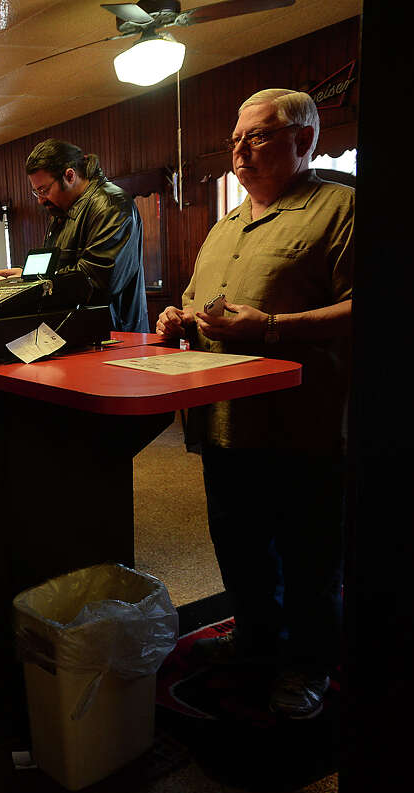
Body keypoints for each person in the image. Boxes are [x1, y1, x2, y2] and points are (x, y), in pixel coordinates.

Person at [156, 89, 353, 719]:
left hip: (304, 425)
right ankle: (255, 638)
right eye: (237, 138)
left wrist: (270, 328)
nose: (241, 150)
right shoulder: (225, 225)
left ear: (304, 140)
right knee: (237, 543)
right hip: (224, 422)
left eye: (260, 136)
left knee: (309, 555)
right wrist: (179, 321)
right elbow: (198, 305)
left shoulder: (340, 208)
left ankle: (309, 665)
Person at [21, 139, 148, 333]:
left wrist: (37, 285)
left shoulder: (111, 205)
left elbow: (96, 281)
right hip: (76, 333)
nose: (40, 200)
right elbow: (55, 269)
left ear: (70, 176)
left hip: (114, 338)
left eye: (44, 190)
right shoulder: (62, 210)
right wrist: (23, 279)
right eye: (36, 192)